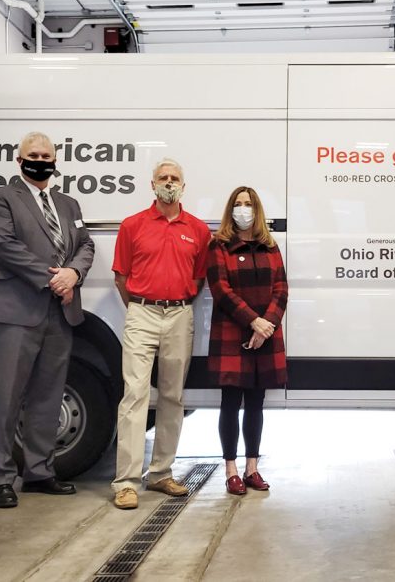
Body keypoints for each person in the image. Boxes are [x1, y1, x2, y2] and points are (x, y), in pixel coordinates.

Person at [0, 131, 95, 508]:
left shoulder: (68, 203)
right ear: (19, 159)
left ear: (56, 160)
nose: (40, 159)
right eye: (33, 154)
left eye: (46, 154)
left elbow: (86, 245)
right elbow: (4, 245)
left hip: (59, 313)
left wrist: (74, 274)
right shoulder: (0, 197)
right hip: (14, 312)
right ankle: (0, 479)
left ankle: (40, 472)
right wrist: (53, 278)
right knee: (5, 398)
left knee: (48, 395)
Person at [111, 158, 211, 510]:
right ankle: (126, 482)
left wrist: (174, 303)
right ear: (152, 184)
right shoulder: (132, 225)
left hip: (180, 314)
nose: (169, 182)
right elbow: (121, 277)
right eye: (163, 177)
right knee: (135, 394)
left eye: (175, 178)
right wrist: (141, 307)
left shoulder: (198, 230)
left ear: (184, 186)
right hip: (141, 312)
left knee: (172, 396)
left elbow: (198, 279)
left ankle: (161, 473)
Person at [206, 187, 289, 495]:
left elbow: (281, 287)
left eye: (249, 204)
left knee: (256, 403)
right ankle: (230, 470)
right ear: (231, 210)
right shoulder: (219, 245)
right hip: (233, 332)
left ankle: (251, 468)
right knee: (230, 403)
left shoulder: (270, 245)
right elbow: (220, 289)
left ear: (257, 210)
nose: (243, 210)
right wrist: (253, 321)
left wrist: (266, 324)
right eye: (238, 205)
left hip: (264, 334)